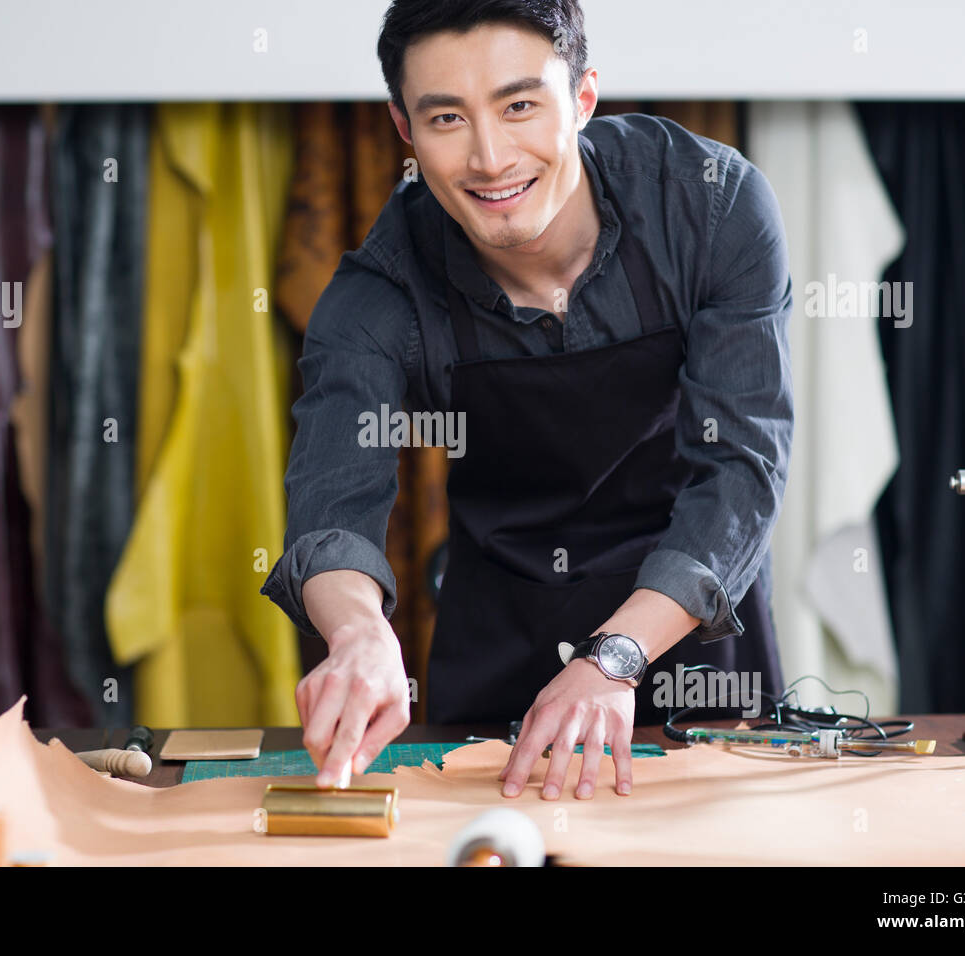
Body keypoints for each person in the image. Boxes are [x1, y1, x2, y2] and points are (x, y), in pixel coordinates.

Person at [262, 0, 792, 800]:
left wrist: (613, 656)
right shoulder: (379, 293)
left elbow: (744, 468)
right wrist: (360, 631)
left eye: (519, 106)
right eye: (446, 118)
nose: (489, 156)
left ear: (581, 97)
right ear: (404, 130)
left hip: (692, 643)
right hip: (500, 645)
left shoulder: (712, 207)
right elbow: (334, 499)